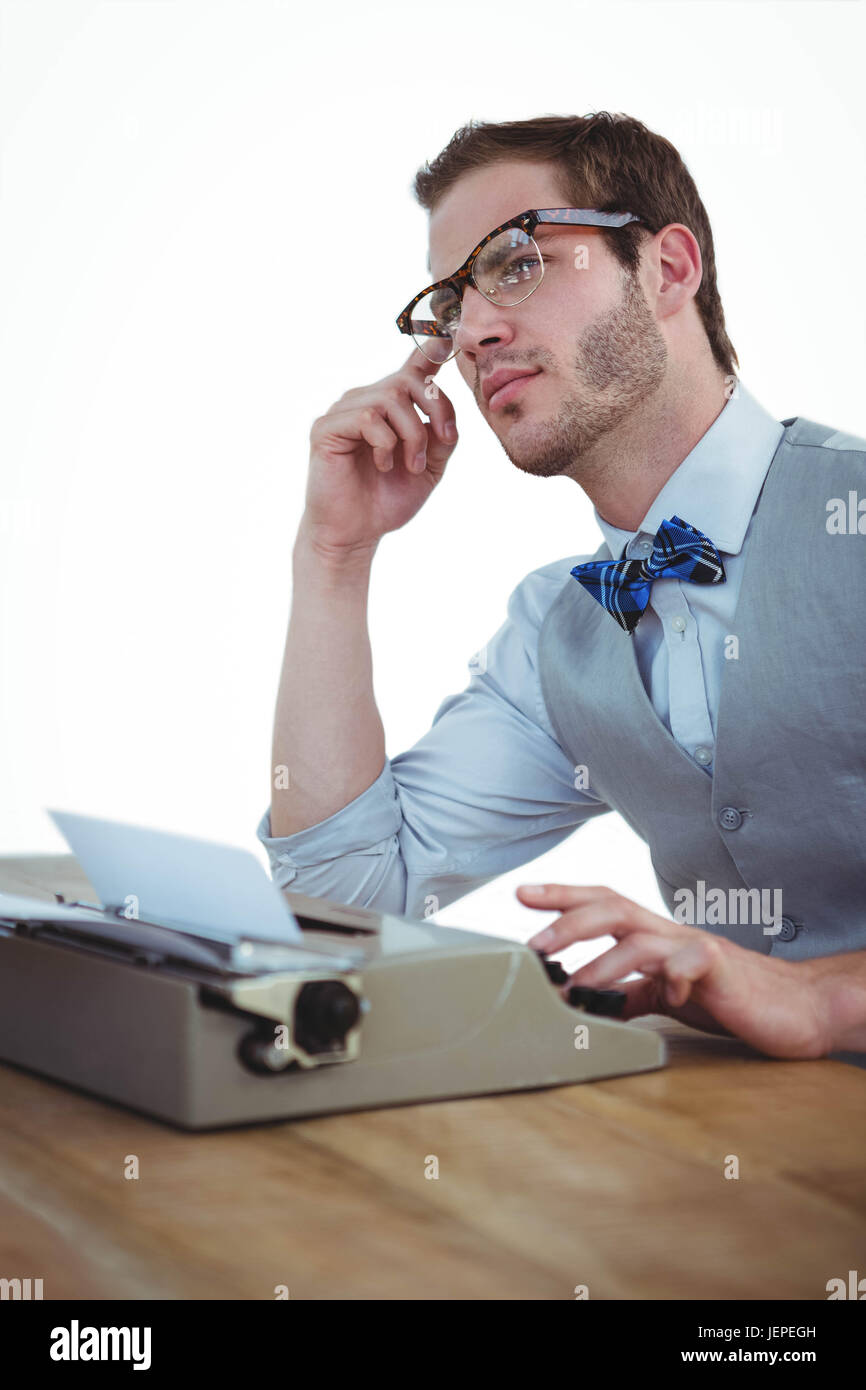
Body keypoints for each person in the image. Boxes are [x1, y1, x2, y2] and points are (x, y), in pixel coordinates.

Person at [256, 113, 866, 1061]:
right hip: (760, 1167)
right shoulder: (560, 629)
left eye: (516, 262)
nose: (475, 331)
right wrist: (333, 559)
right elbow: (346, 901)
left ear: (667, 270)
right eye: (450, 303)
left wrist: (820, 1001)